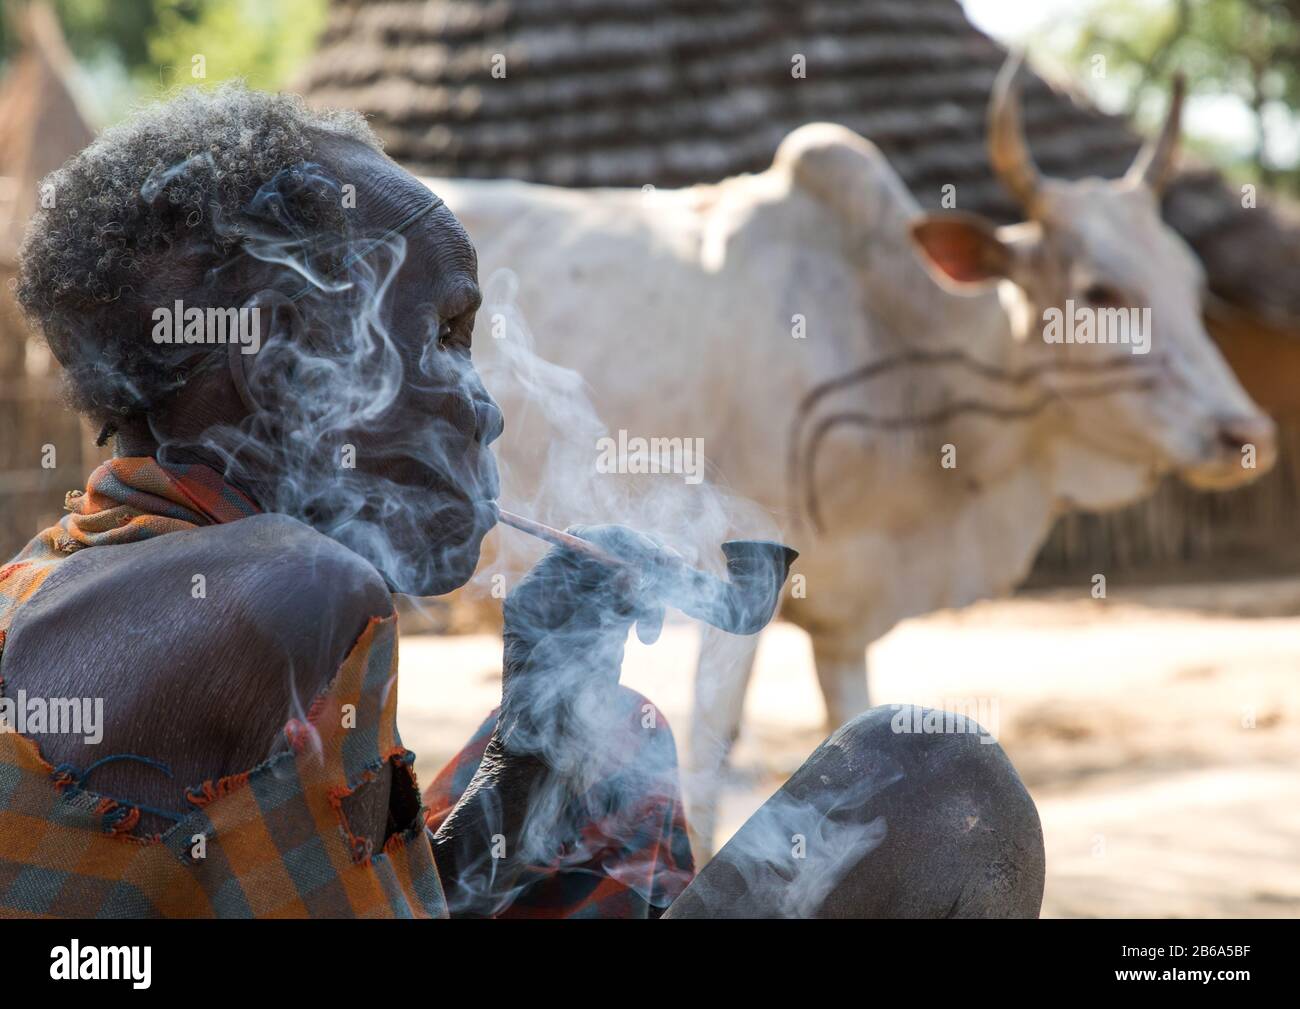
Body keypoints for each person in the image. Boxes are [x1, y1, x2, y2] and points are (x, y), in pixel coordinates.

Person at [0, 86, 1044, 918]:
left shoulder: (65, 569)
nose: (484, 407)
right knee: (935, 781)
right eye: (446, 338)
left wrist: (553, 697)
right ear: (277, 361)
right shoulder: (298, 592)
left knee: (605, 742)